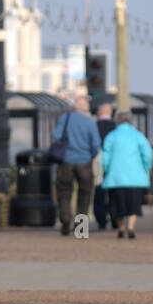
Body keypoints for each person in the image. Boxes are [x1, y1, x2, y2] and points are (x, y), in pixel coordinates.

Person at [52, 96, 102, 235]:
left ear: (74, 107)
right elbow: (96, 144)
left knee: (64, 191)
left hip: (66, 161)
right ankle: (80, 228)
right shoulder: (90, 122)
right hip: (84, 161)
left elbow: (56, 135)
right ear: (86, 109)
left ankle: (65, 218)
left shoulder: (65, 118)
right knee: (85, 194)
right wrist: (91, 155)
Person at [101, 110, 153, 239]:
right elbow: (147, 153)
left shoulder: (111, 136)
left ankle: (121, 227)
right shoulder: (138, 135)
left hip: (116, 176)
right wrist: (147, 167)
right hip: (135, 176)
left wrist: (106, 169)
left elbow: (105, 155)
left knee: (118, 204)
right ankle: (131, 226)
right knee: (134, 204)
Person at [92, 103, 118, 230]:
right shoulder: (116, 127)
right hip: (114, 163)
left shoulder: (94, 125)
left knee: (99, 192)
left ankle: (101, 220)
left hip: (97, 162)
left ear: (99, 113)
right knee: (113, 192)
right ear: (111, 113)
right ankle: (115, 219)